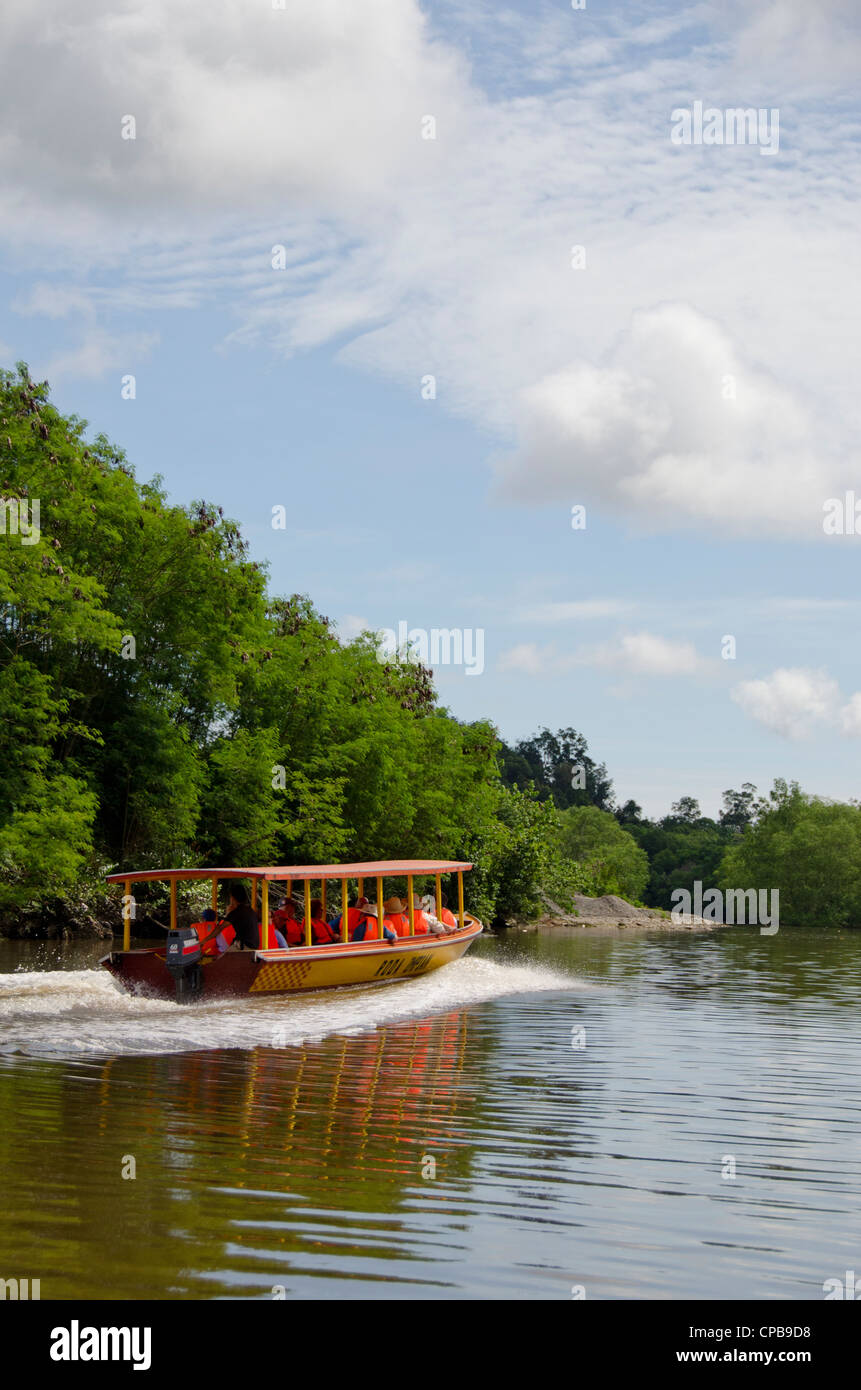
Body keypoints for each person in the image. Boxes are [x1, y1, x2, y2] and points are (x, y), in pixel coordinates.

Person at [224, 882, 262, 950]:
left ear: (233, 898)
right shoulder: (250, 911)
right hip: (253, 946)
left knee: (224, 958)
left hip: (245, 946)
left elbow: (219, 928)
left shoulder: (237, 912)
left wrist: (205, 940)